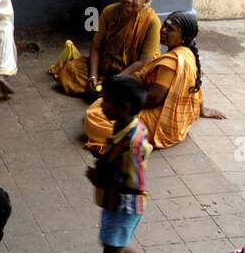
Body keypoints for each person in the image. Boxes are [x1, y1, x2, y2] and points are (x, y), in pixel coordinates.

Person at [85, 77, 173, 253]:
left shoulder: (130, 143)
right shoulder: (129, 124)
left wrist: (99, 180)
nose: (102, 104)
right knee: (116, 245)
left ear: (123, 107)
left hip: (124, 205)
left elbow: (134, 185)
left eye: (107, 101)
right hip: (120, 204)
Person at [83, 11, 223, 151]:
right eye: (165, 25)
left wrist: (122, 100)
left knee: (94, 116)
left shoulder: (172, 62)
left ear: (183, 38)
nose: (163, 30)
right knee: (102, 105)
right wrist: (200, 108)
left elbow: (153, 98)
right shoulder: (187, 53)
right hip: (177, 117)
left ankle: (131, 140)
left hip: (162, 121)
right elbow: (195, 85)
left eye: (171, 29)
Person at [50, 0, 161, 96]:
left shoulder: (152, 22)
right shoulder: (109, 12)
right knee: (71, 70)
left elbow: (143, 61)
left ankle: (107, 91)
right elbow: (96, 47)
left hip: (133, 71)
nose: (128, 0)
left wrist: (115, 80)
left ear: (145, 1)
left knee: (135, 86)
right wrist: (92, 76)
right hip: (107, 65)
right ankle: (101, 90)